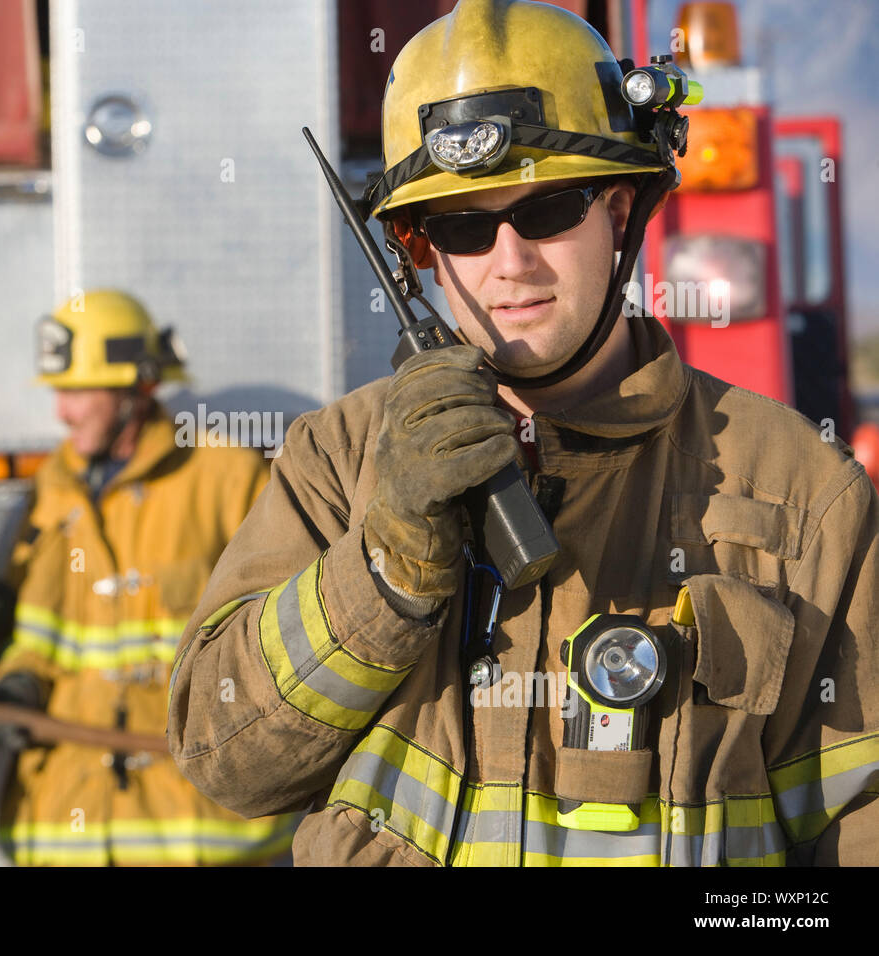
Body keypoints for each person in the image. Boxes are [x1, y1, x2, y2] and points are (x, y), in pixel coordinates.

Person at [168, 0, 879, 866]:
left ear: (619, 211)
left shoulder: (802, 488)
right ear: (416, 251)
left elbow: (858, 822)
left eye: (549, 211)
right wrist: (386, 566)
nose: (511, 260)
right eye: (464, 225)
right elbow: (225, 762)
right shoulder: (336, 463)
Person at [0, 289, 299, 865]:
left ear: (140, 387)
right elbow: (38, 636)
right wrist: (18, 682)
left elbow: (288, 639)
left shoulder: (227, 479)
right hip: (70, 826)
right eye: (60, 391)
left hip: (197, 831)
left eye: (80, 391)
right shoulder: (52, 492)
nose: (62, 411)